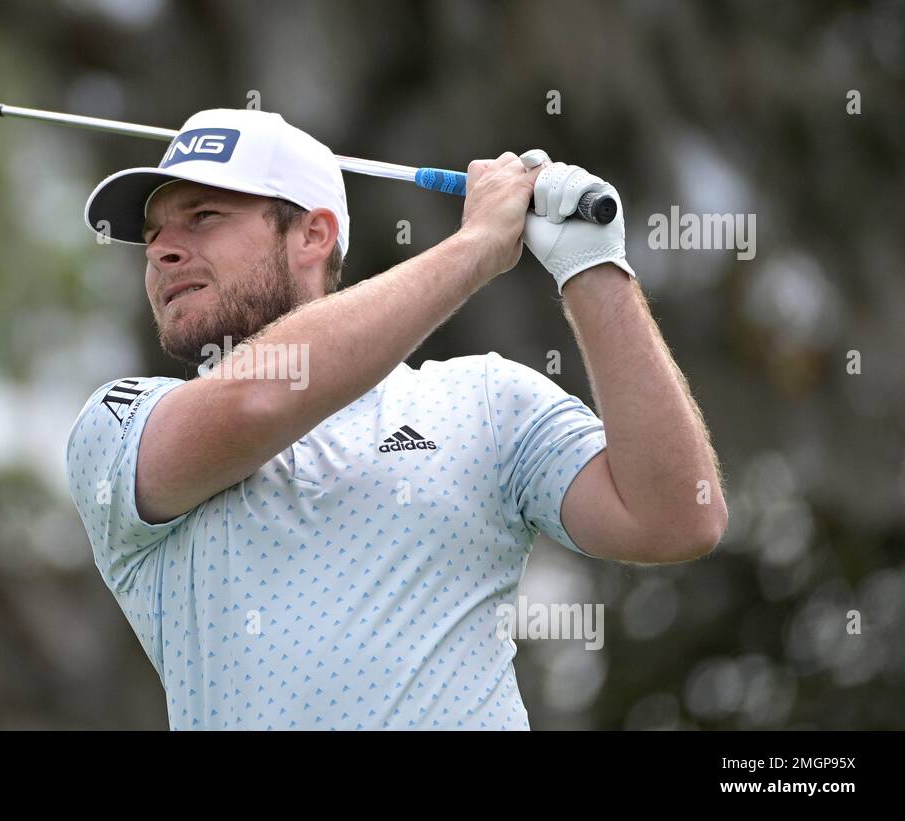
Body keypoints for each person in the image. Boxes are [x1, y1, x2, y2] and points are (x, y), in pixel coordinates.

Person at [65, 108, 727, 729]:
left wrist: (593, 266)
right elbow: (259, 398)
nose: (162, 252)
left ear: (312, 234)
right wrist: (475, 246)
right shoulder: (118, 426)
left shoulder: (486, 400)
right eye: (153, 236)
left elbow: (676, 516)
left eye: (203, 216)